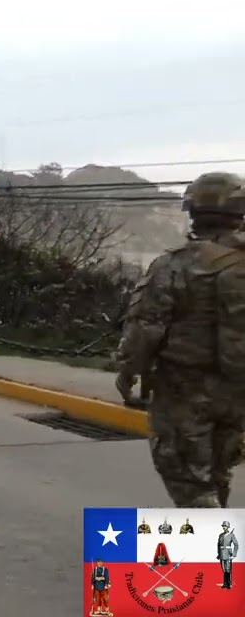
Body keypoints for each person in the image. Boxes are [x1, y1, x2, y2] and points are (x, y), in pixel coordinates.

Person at [116, 172, 245, 508]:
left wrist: (128, 372)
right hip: (238, 392)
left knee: (189, 481)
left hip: (185, 390)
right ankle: (219, 551)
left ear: (193, 213)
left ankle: (219, 555)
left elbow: (146, 327)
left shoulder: (174, 264)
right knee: (217, 472)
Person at [218, 521, 238, 589]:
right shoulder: (220, 535)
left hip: (228, 554)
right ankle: (225, 583)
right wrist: (218, 554)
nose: (224, 527)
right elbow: (218, 545)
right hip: (221, 554)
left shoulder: (231, 535)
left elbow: (236, 545)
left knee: (228, 569)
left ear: (228, 527)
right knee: (224, 569)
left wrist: (234, 554)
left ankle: (228, 584)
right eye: (223, 526)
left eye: (225, 526)